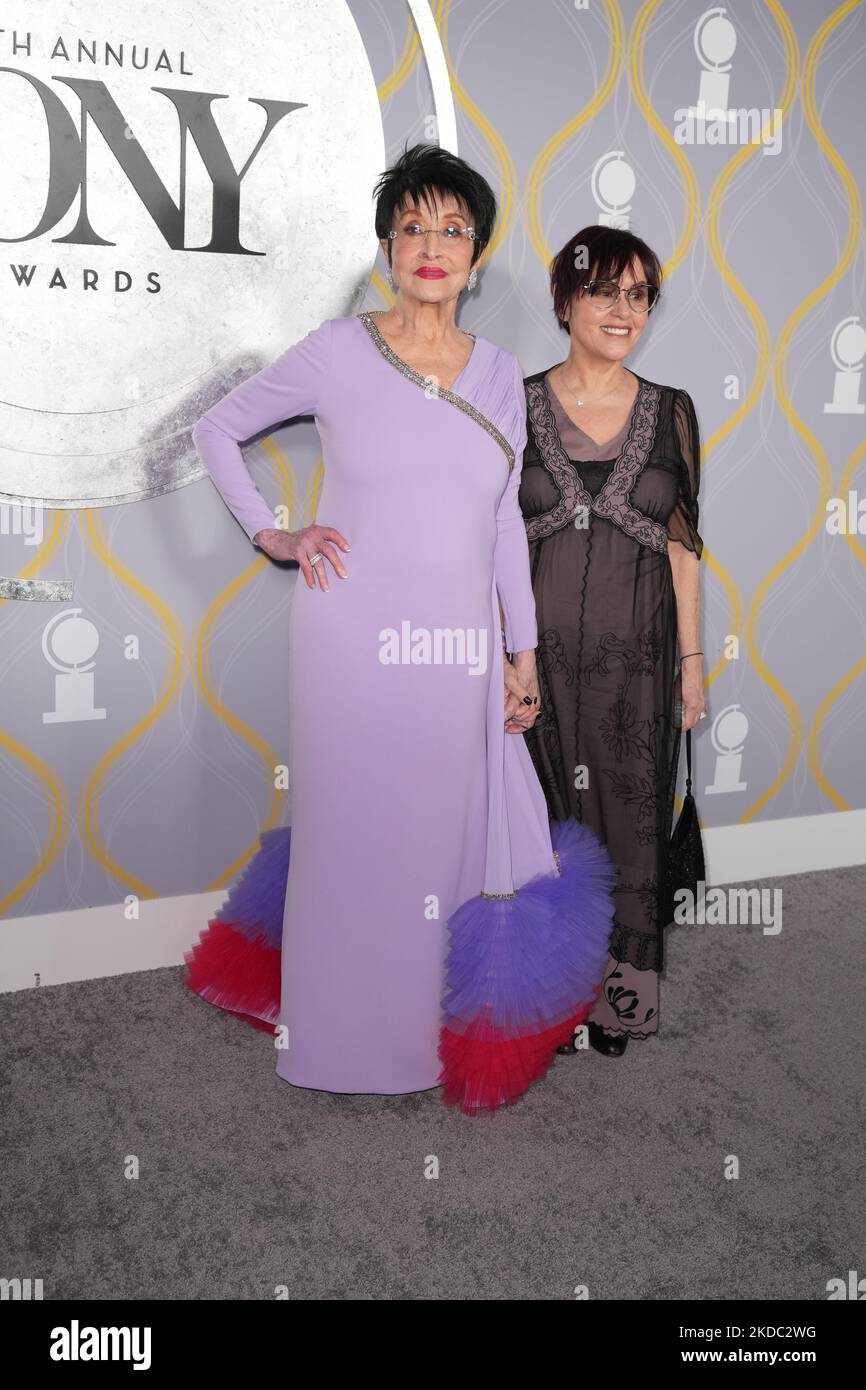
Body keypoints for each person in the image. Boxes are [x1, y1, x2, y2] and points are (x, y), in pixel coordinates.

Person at [185, 148, 616, 1113]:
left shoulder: (502, 373)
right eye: (413, 227)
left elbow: (504, 517)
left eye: (452, 230)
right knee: (353, 833)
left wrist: (521, 651)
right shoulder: (340, 349)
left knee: (442, 836)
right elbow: (220, 428)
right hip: (347, 637)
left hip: (458, 645)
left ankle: (429, 1024)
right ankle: (340, 1035)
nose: (432, 246)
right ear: (387, 248)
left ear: (477, 255)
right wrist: (277, 533)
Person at [518, 225, 706, 1058]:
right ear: (566, 301)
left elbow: (683, 546)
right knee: (542, 824)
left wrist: (693, 664)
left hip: (640, 662)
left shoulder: (673, 410)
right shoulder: (510, 400)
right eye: (604, 291)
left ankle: (619, 1007)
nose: (622, 309)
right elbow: (484, 534)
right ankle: (549, 1003)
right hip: (537, 661)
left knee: (629, 826)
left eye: (639, 295)